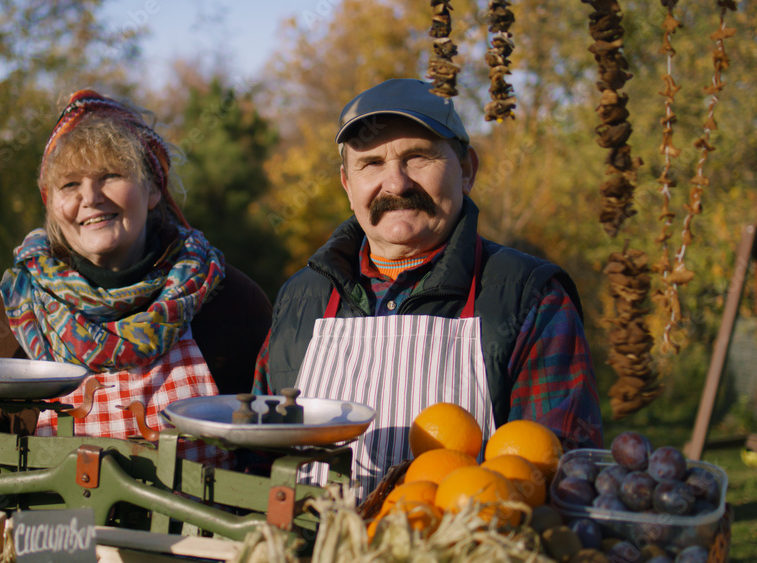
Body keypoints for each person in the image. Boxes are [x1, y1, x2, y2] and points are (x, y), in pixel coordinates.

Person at [252, 79, 602, 493]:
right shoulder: (300, 298)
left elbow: (555, 475)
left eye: (418, 157)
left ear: (467, 169)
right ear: (348, 185)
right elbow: (258, 454)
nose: (396, 184)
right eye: (371, 164)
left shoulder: (529, 297)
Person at [0, 89, 272, 452]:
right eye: (70, 184)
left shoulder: (231, 303)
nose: (90, 198)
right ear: (51, 203)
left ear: (153, 189)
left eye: (110, 175)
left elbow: (268, 449)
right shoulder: (3, 322)